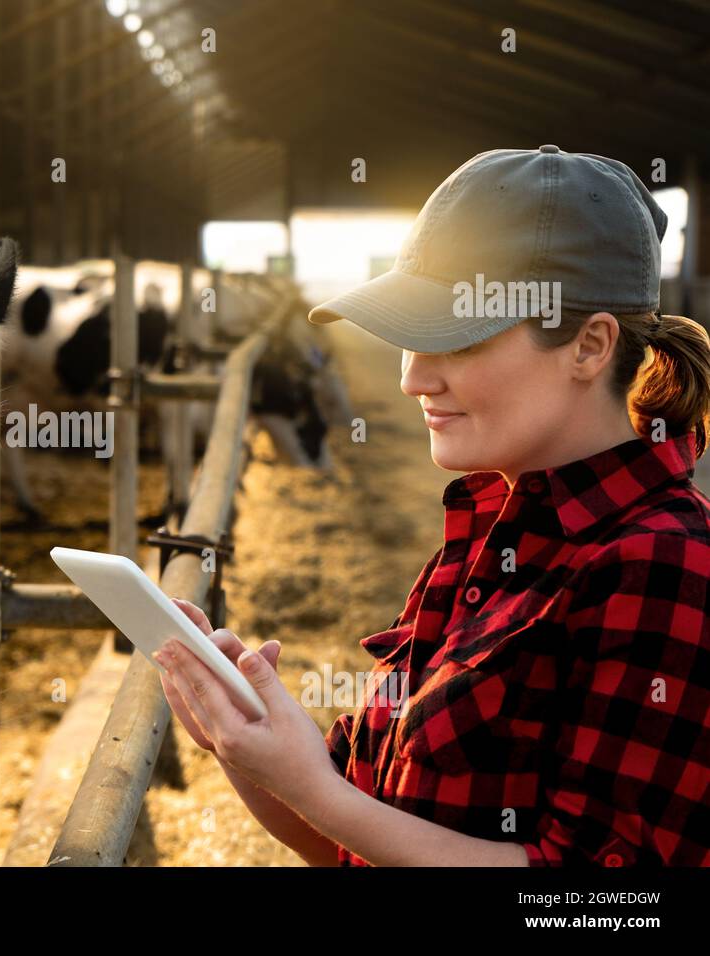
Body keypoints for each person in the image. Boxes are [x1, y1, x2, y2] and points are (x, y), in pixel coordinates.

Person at [157, 146, 710, 866]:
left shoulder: (666, 564)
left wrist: (318, 791)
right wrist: (243, 739)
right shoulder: (485, 531)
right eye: (411, 341)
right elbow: (352, 843)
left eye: (459, 338)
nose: (413, 377)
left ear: (590, 345)